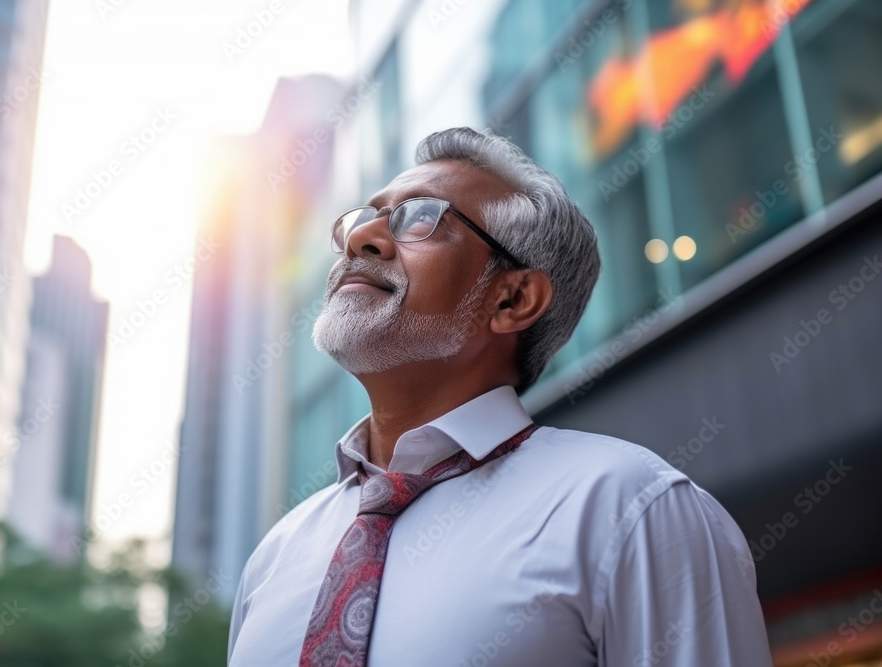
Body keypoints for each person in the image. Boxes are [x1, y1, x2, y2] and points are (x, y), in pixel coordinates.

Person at [227, 127, 774, 666]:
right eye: (364, 218)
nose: (359, 239)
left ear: (513, 299)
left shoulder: (629, 509)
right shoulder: (276, 555)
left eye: (420, 217)